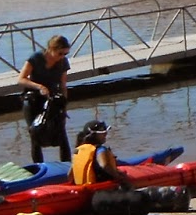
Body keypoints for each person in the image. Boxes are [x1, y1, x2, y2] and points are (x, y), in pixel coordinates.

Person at [19, 36, 71, 164]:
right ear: (51, 49)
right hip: (33, 98)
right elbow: (21, 79)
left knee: (61, 132)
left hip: (52, 99)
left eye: (65, 54)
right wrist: (39, 86)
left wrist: (64, 105)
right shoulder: (36, 58)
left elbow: (63, 85)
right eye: (60, 53)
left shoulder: (63, 62)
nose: (62, 57)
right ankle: (38, 165)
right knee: (35, 133)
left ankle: (67, 164)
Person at [71, 120, 131, 188]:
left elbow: (70, 174)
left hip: (84, 188)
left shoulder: (78, 150)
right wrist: (119, 177)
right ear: (93, 135)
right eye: (102, 132)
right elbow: (104, 165)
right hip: (101, 189)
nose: (105, 134)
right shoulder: (100, 149)